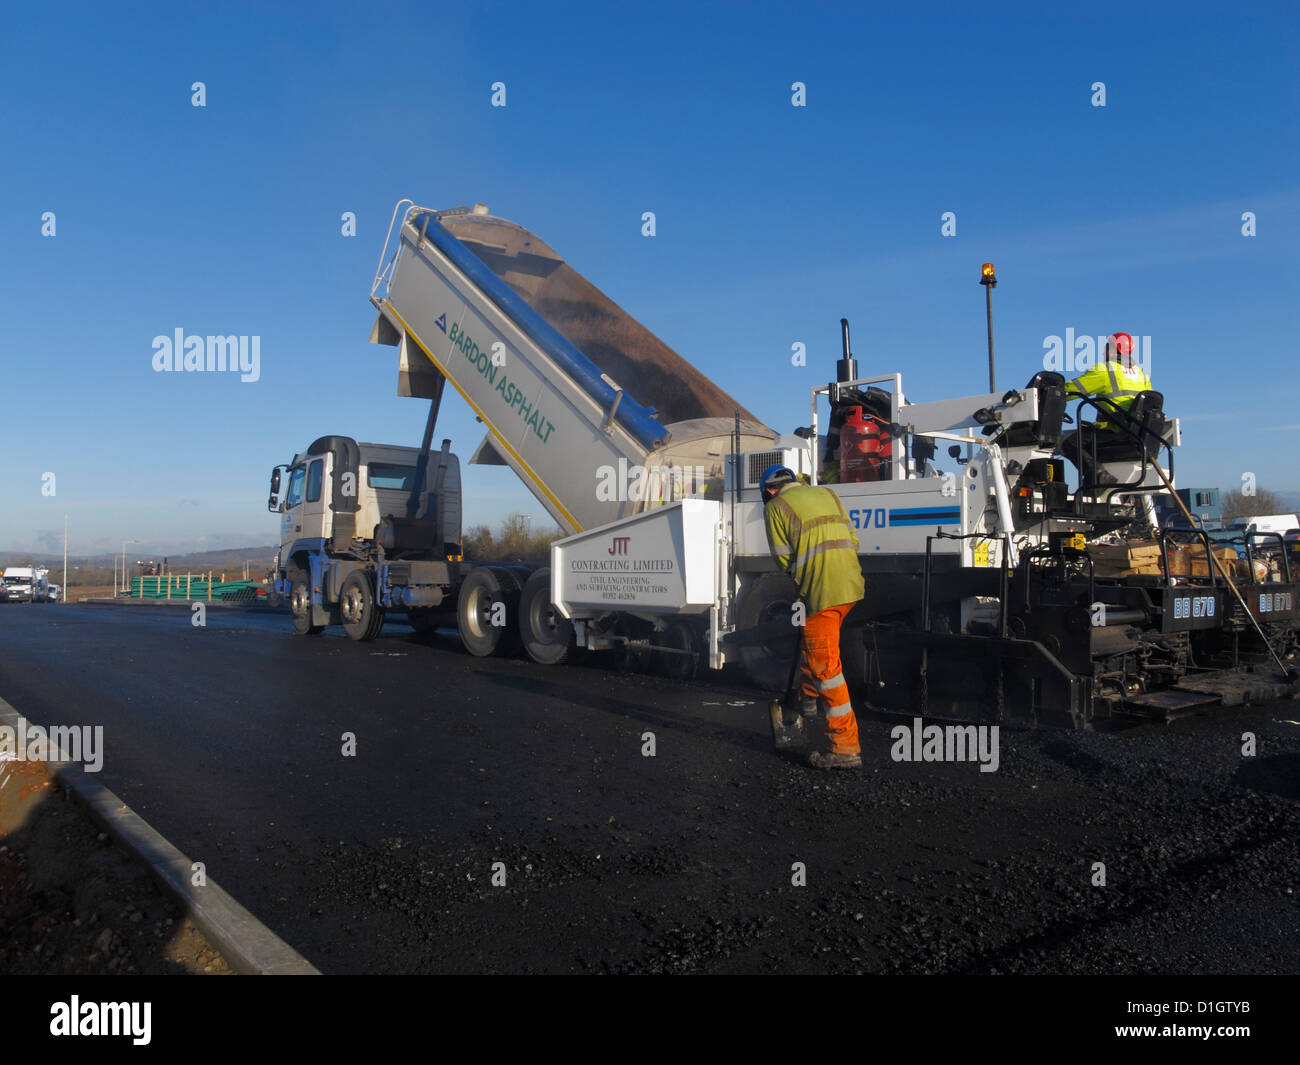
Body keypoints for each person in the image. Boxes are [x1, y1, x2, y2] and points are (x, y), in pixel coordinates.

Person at [761, 464, 865, 769]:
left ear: (769, 490)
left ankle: (845, 747)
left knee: (826, 669)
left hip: (822, 592)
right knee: (815, 646)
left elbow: (783, 559)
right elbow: (853, 539)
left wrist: (804, 583)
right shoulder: (828, 493)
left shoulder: (775, 508)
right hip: (851, 586)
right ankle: (805, 701)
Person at [1059, 332, 1153, 485]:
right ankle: (1092, 484)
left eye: (1107, 347)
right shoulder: (1142, 374)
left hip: (1115, 430)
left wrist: (1051, 393)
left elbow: (1072, 389)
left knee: (1070, 444)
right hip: (1135, 433)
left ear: (1114, 349)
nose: (1104, 351)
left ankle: (1099, 475)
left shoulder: (1106, 370)